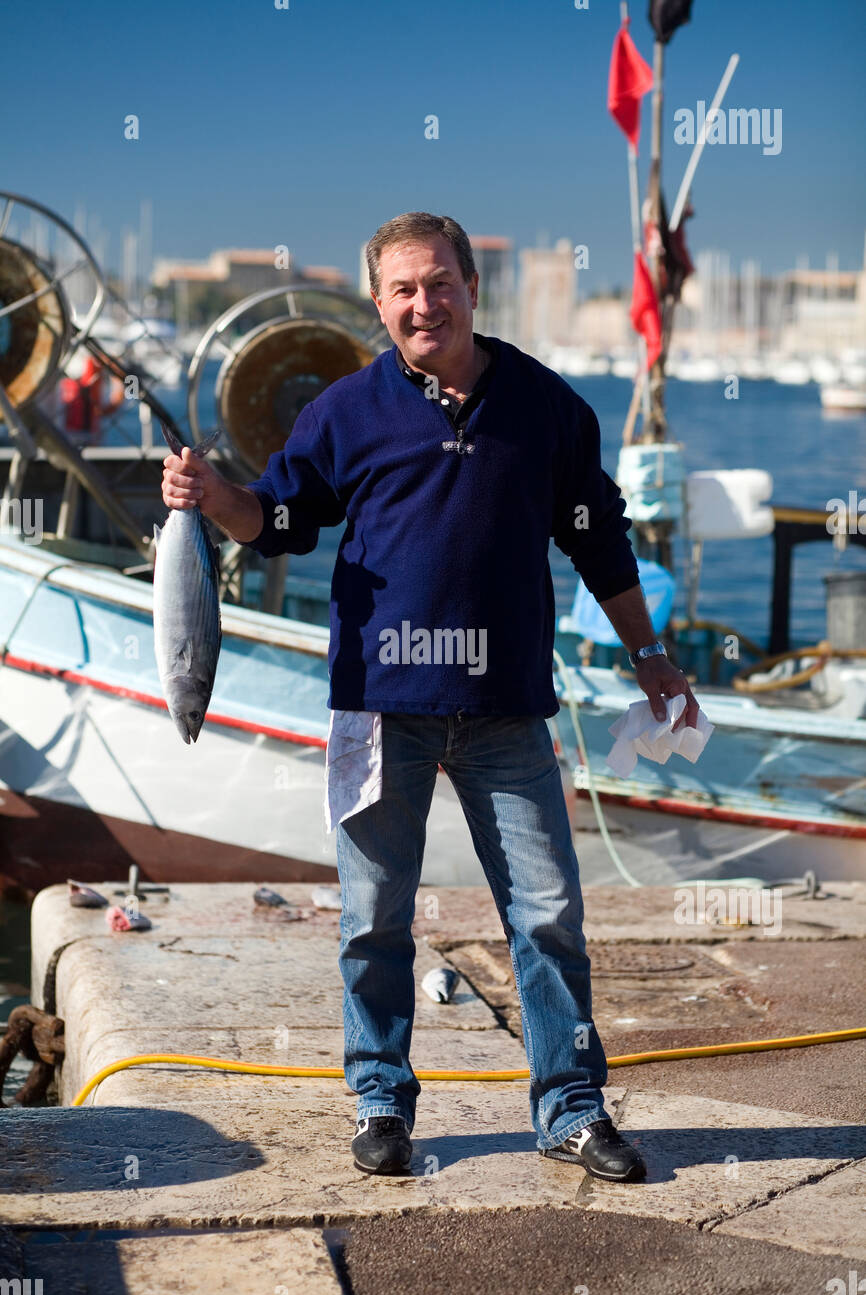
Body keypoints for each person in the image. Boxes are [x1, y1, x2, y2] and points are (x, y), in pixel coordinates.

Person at [161, 211, 701, 1184]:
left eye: (439, 282)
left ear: (470, 287)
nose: (423, 302)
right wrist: (209, 495)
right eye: (403, 288)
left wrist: (649, 654)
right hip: (379, 707)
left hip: (506, 711)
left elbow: (597, 537)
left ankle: (569, 1108)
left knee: (545, 918)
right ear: (378, 303)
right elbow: (276, 520)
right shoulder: (343, 412)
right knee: (373, 917)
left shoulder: (545, 407)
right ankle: (379, 1100)